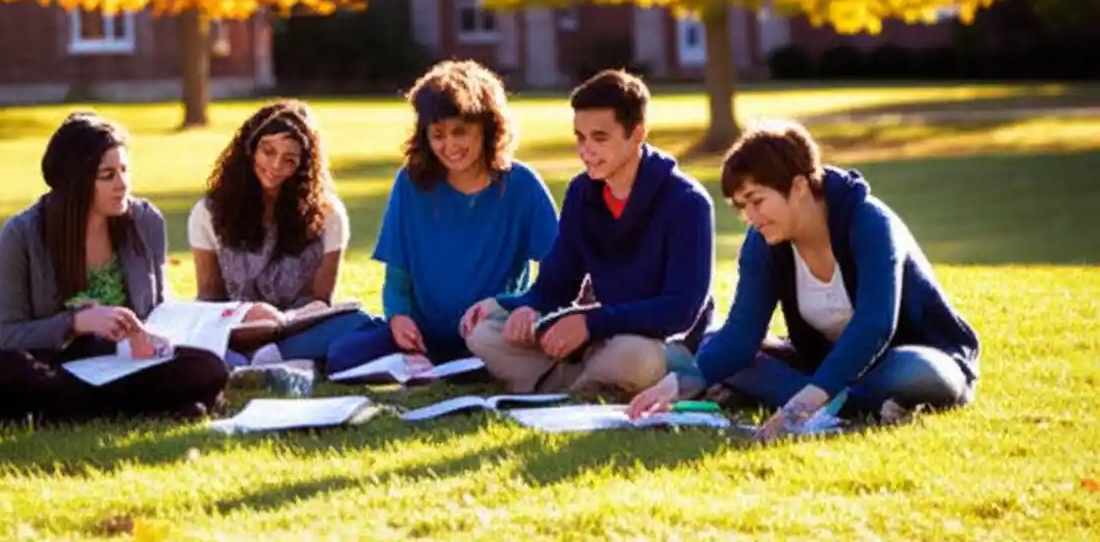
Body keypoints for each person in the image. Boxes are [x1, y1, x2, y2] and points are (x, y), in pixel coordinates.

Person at [627, 120, 980, 439]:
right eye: (741, 207)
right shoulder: (763, 242)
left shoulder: (869, 222)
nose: (750, 217)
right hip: (824, 365)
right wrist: (678, 382)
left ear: (798, 187)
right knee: (713, 346)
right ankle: (851, 403)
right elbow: (741, 333)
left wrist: (800, 405)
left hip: (904, 356)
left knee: (914, 373)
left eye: (756, 201)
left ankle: (829, 397)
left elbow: (875, 324)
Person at [461, 69, 715, 396]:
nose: (586, 150)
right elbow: (556, 284)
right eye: (580, 138)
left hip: (658, 344)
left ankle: (564, 384)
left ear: (637, 134)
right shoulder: (582, 193)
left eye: (600, 138)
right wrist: (522, 307)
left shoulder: (687, 203)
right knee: (482, 329)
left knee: (633, 357)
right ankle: (585, 384)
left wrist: (589, 324)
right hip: (599, 336)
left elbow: (679, 311)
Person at [0, 112, 228, 424]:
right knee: (0, 366)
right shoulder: (22, 234)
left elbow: (159, 307)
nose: (123, 185)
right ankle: (136, 406)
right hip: (58, 365)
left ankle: (76, 410)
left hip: (125, 362)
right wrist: (77, 322)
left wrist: (154, 334)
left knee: (208, 367)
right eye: (107, 175)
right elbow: (9, 336)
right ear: (76, 180)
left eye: (125, 170)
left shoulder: (145, 222)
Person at [326, 60, 559, 373]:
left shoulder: (521, 185)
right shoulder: (410, 183)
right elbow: (398, 272)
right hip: (425, 333)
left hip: (491, 329)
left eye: (460, 132)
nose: (449, 145)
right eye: (438, 135)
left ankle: (461, 365)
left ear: (488, 127)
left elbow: (557, 265)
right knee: (342, 356)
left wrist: (524, 306)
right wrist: (398, 318)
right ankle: (420, 362)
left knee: (496, 354)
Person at [189, 100, 372, 362]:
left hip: (296, 330)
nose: (276, 166)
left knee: (359, 321)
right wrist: (249, 323)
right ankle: (252, 357)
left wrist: (283, 321)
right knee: (200, 341)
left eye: (289, 159)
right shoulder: (209, 213)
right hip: (239, 330)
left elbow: (321, 301)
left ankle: (266, 357)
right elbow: (209, 299)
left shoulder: (329, 215)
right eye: (268, 151)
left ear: (303, 166)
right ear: (250, 150)